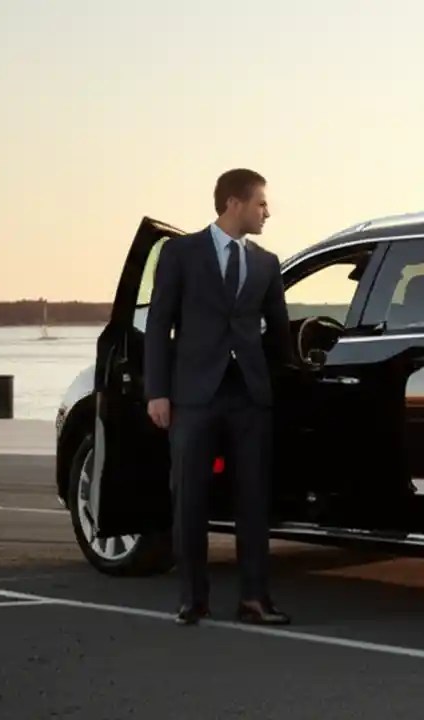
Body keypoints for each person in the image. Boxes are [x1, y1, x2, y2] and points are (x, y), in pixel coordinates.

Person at [143, 168, 294, 626]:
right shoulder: (180, 252)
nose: (267, 212)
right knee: (189, 500)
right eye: (261, 203)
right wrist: (157, 392)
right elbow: (158, 324)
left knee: (254, 501)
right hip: (193, 397)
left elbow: (280, 333)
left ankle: (255, 599)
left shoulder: (266, 263)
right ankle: (193, 599)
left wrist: (282, 383)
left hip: (249, 397)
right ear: (234, 203)